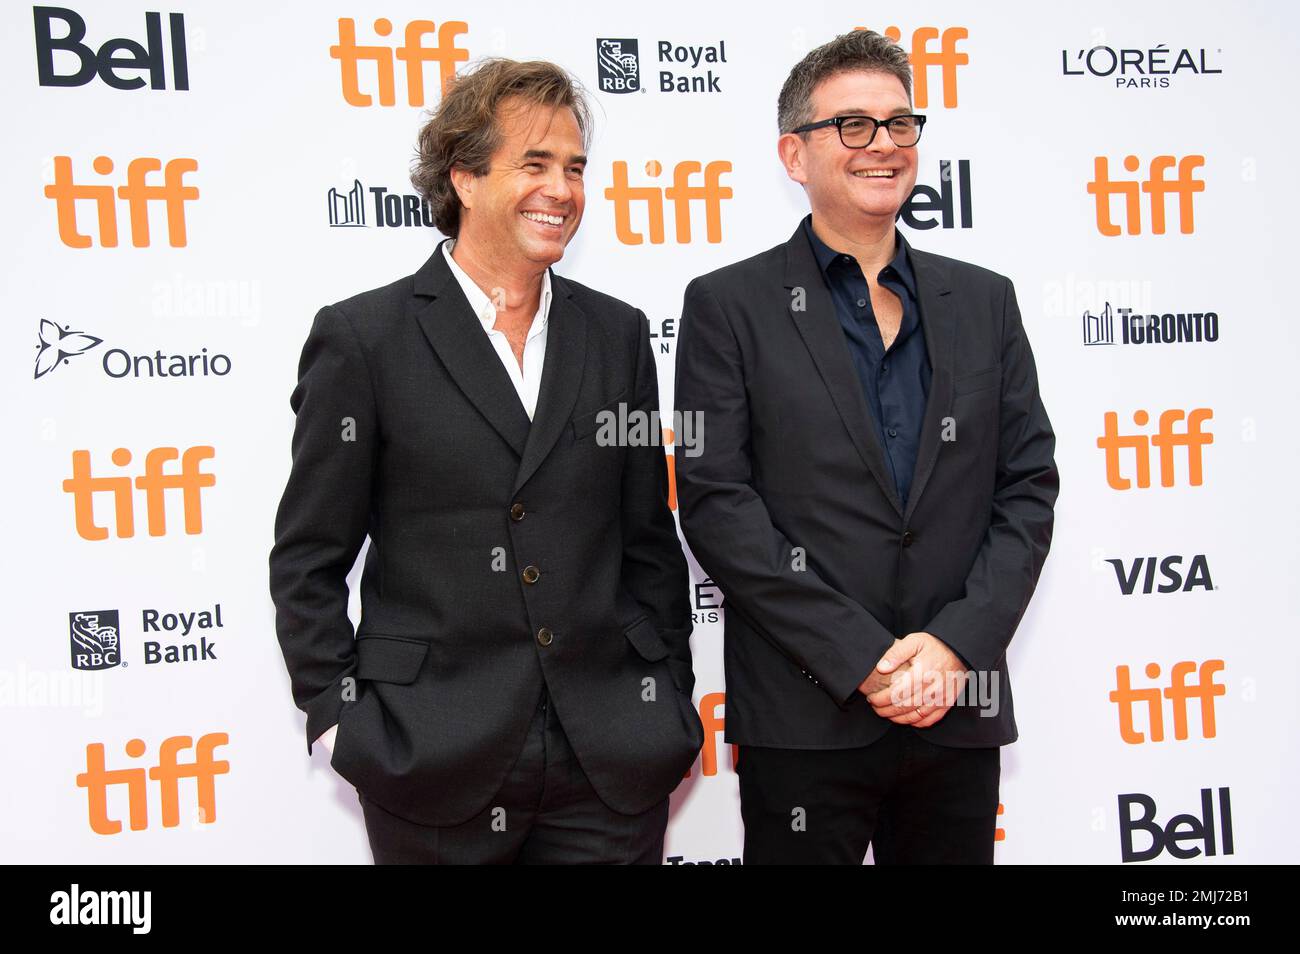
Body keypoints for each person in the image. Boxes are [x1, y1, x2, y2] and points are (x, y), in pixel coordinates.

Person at [269, 58, 701, 864]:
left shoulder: (617, 335)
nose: (562, 190)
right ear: (463, 178)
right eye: (533, 165)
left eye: (574, 168)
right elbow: (308, 558)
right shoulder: (365, 340)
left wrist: (665, 699)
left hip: (610, 760)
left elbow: (646, 537)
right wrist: (340, 720)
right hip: (432, 759)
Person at [673, 30, 1058, 864]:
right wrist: (865, 660)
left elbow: (1027, 485)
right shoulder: (728, 306)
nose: (884, 145)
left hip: (955, 709)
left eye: (901, 124)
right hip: (807, 716)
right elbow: (717, 503)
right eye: (853, 125)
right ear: (794, 153)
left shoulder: (984, 302)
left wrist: (955, 647)